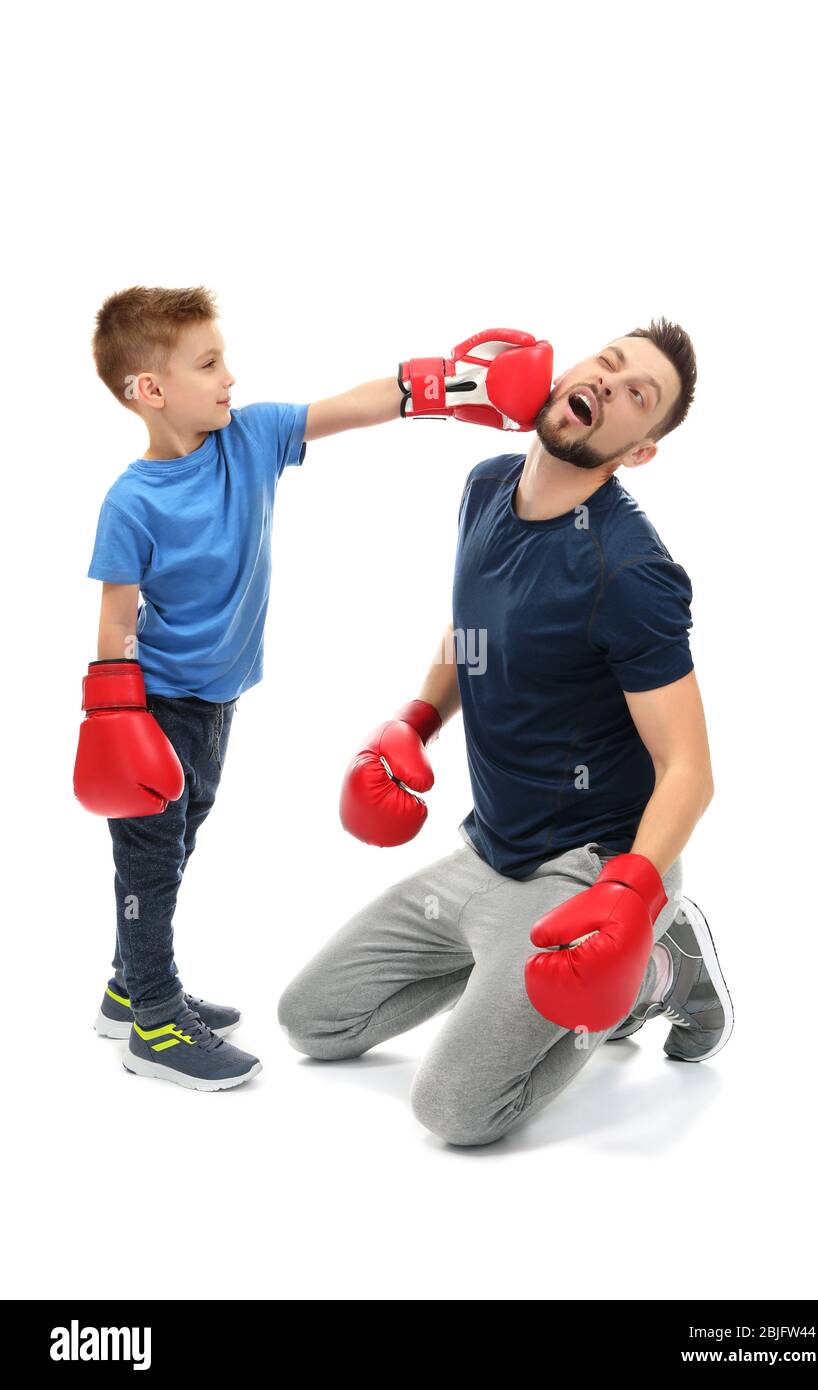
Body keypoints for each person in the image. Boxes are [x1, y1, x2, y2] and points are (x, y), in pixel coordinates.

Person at [75, 287, 551, 1092]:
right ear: (149, 392)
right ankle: (152, 1019)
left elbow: (347, 409)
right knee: (150, 862)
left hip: (216, 703)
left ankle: (129, 985)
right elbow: (116, 618)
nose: (230, 375)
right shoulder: (130, 502)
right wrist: (117, 718)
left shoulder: (250, 437)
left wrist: (438, 385)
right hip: (154, 711)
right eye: (208, 363)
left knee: (176, 843)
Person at [278, 317, 734, 1145]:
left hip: (587, 878)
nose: (612, 382)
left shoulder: (631, 573)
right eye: (611, 361)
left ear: (640, 451)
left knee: (455, 1111)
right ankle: (513, 976)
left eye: (642, 396)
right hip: (487, 850)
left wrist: (630, 898)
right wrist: (415, 719)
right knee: (312, 1022)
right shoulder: (486, 486)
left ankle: (659, 970)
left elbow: (689, 771)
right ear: (570, 370)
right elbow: (474, 629)